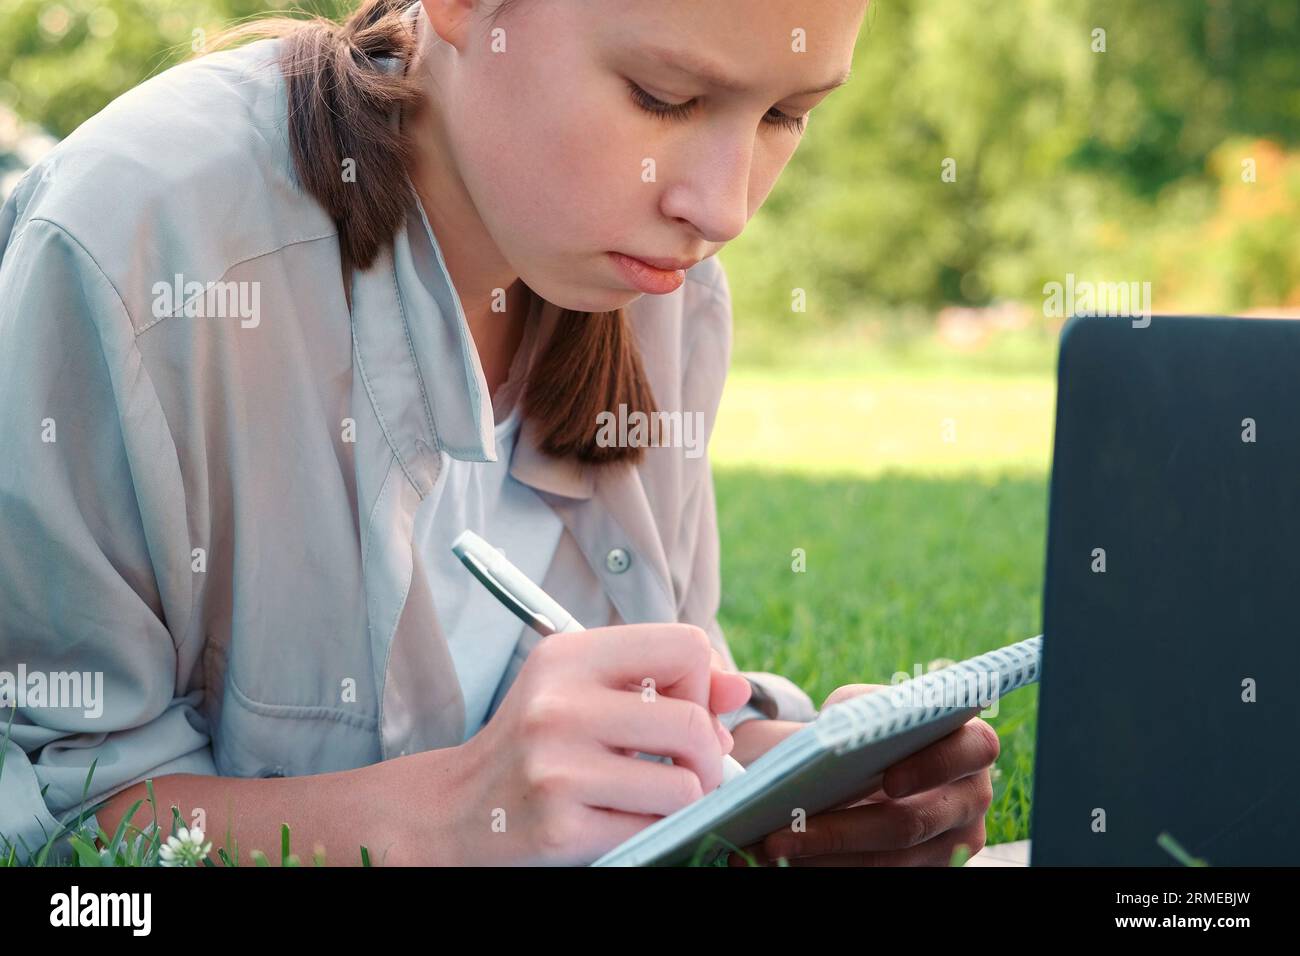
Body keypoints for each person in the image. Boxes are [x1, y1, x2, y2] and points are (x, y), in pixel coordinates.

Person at [0, 0, 997, 866]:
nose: (722, 209)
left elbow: (646, 712)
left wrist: (766, 772)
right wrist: (455, 812)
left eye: (787, 115)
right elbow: (62, 819)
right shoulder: (138, 237)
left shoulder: (660, 293)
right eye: (661, 97)